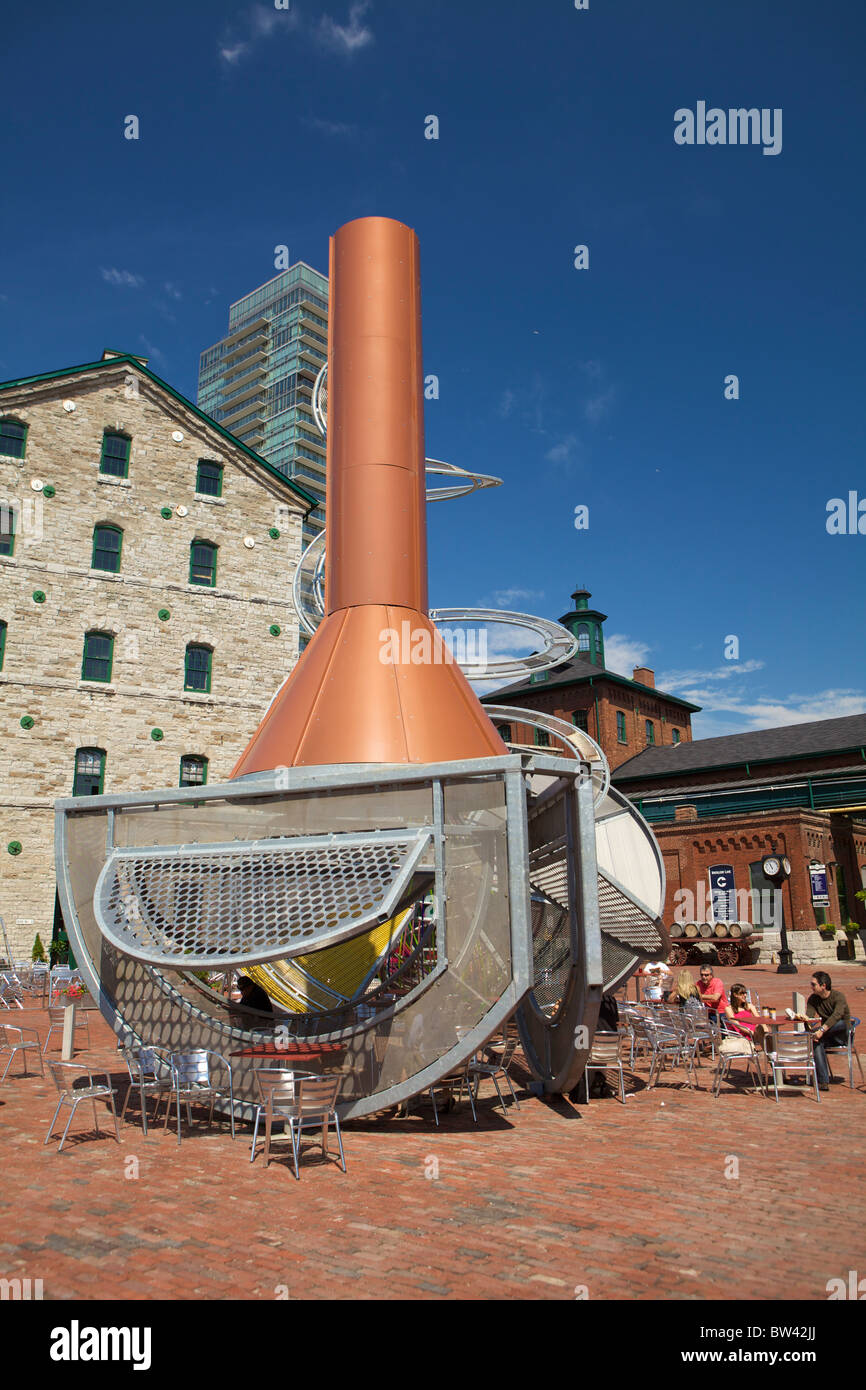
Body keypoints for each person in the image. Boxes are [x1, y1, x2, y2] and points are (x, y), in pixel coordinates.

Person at [792, 971, 850, 1091]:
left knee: (839, 1023)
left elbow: (837, 1015)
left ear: (823, 985)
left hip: (841, 1034)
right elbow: (810, 1017)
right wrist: (805, 1020)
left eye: (813, 984)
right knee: (816, 1041)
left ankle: (818, 1033)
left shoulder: (838, 997)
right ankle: (823, 1081)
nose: (811, 987)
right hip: (826, 1035)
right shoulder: (813, 999)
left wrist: (821, 1030)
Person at [723, 983, 767, 1051]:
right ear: (735, 995)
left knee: (766, 1033)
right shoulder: (729, 1009)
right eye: (742, 993)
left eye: (745, 993)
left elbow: (758, 1018)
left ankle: (770, 1055)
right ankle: (771, 1056)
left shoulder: (749, 1006)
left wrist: (765, 1028)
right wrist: (750, 1032)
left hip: (755, 1030)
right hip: (742, 1032)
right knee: (765, 1037)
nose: (745, 995)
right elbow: (737, 1025)